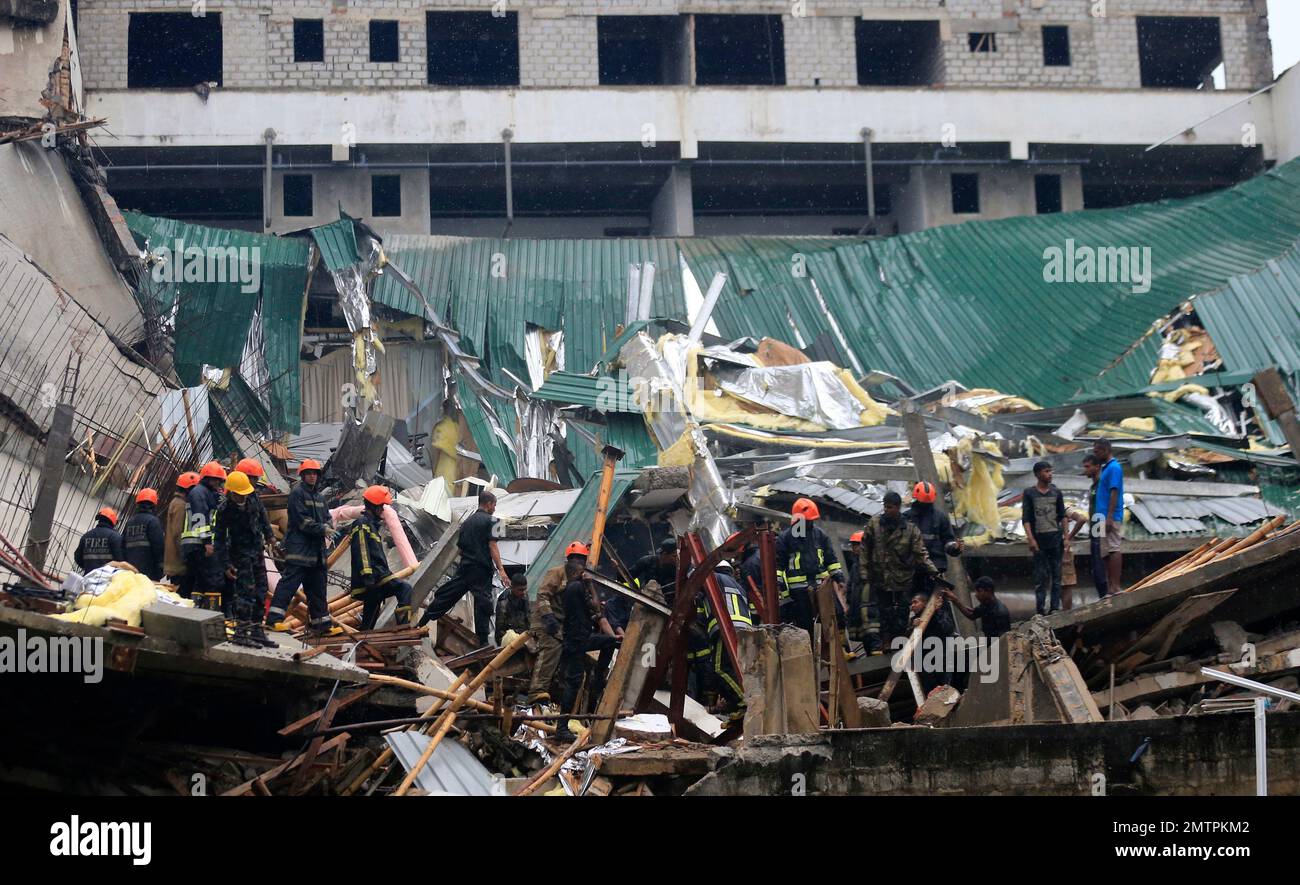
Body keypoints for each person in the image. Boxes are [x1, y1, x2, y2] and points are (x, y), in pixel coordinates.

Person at [417, 490, 509, 646]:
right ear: (488, 504)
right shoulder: (495, 521)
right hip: (481, 569)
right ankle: (483, 642)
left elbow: (459, 549)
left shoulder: (466, 522)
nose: (495, 508)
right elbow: (493, 545)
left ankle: (422, 622)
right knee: (483, 603)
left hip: (465, 567)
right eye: (494, 504)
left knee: (447, 595)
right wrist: (501, 570)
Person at [266, 459, 340, 636]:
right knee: (288, 586)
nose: (312, 476)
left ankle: (321, 625)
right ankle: (273, 621)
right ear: (302, 475)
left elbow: (327, 517)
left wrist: (328, 525)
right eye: (308, 473)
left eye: (315, 473)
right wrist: (323, 529)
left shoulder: (320, 498)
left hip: (316, 554)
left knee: (317, 590)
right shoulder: (297, 494)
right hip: (300, 552)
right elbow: (302, 522)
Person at [859, 491, 938, 651]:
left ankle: (900, 640)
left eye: (890, 507)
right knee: (884, 610)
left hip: (903, 577)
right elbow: (865, 549)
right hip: (881, 577)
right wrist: (864, 573)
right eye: (885, 507)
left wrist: (933, 571)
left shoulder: (910, 529)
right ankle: (886, 640)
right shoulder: (874, 525)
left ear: (898, 508)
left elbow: (920, 553)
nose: (887, 510)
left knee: (903, 610)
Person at [556, 565, 620, 737]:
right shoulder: (576, 587)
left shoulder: (572, 588)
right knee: (573, 683)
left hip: (580, 639)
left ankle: (598, 679)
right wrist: (590, 585)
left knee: (609, 642)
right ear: (578, 573)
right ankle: (561, 728)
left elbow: (597, 612)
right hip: (576, 642)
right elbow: (596, 607)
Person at [212, 471, 275, 646]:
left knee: (261, 590)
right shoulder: (225, 510)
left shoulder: (253, 497)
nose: (242, 498)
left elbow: (262, 516)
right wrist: (226, 565)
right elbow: (219, 539)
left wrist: (269, 535)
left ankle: (256, 631)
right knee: (245, 594)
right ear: (232, 493)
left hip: (256, 551)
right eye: (239, 495)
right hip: (239, 555)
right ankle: (241, 633)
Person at [344, 485, 414, 630]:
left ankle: (362, 641)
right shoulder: (362, 523)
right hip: (374, 576)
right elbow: (362, 550)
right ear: (374, 506)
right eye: (381, 506)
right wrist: (367, 576)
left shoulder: (372, 525)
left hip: (375, 577)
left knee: (370, 620)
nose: (383, 510)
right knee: (404, 588)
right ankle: (403, 629)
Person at [527, 542, 588, 707]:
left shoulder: (581, 580)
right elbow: (542, 595)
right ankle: (537, 691)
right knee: (551, 647)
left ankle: (558, 693)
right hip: (544, 620)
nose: (579, 562)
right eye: (576, 558)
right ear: (569, 559)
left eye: (582, 559)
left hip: (563, 624)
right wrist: (548, 617)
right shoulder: (556, 573)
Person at [775, 498, 844, 634]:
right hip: (798, 591)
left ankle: (837, 651)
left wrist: (839, 578)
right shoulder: (786, 538)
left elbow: (831, 559)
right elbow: (779, 564)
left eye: (811, 520)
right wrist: (779, 586)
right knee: (805, 624)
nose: (809, 523)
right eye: (807, 520)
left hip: (821, 586)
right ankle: (812, 653)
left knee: (833, 617)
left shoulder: (820, 535)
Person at [704, 560, 753, 720]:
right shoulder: (739, 586)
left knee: (720, 668)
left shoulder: (714, 578)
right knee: (738, 669)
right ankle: (739, 702)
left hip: (725, 628)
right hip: (744, 630)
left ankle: (746, 703)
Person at [1022, 460, 1067, 615]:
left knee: (1056, 576)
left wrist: (1066, 538)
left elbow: (1063, 516)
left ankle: (1054, 607)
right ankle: (1040, 609)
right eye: (1046, 471)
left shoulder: (1056, 492)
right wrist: (1031, 539)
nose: (1050, 474)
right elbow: (1026, 518)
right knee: (1040, 578)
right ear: (1038, 474)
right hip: (1039, 542)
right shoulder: (1029, 493)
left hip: (1055, 540)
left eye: (1051, 471)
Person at [181, 461, 227, 609]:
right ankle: (211, 613)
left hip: (196, 544)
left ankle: (197, 611)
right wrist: (207, 542)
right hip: (199, 544)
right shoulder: (199, 493)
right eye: (217, 480)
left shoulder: (205, 493)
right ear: (208, 478)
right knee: (213, 580)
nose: (219, 484)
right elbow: (200, 517)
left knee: (199, 581)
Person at [1067, 454, 1107, 600]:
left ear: (1097, 467)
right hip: (1095, 526)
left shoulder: (1102, 484)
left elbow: (1108, 506)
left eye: (1087, 467)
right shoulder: (1093, 486)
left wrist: (1102, 529)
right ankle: (1102, 594)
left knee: (1099, 562)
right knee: (1096, 562)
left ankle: (1105, 594)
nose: (1085, 470)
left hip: (1100, 525)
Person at [906, 482, 961, 575]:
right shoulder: (906, 518)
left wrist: (954, 547)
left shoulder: (940, 518)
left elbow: (948, 540)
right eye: (923, 504)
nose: (925, 507)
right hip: (912, 568)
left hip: (935, 568)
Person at [1093, 439, 1126, 593]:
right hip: (1099, 516)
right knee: (1104, 552)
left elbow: (1114, 492)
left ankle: (1115, 586)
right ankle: (1110, 587)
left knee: (1113, 549)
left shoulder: (1114, 468)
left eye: (1097, 451)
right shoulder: (1105, 469)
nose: (1095, 454)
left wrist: (1110, 516)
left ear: (1106, 450)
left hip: (1109, 516)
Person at [908, 591, 957, 693]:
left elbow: (948, 629)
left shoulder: (940, 614)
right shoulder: (914, 621)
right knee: (931, 691)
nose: (912, 606)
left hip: (942, 658)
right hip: (925, 662)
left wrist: (936, 613)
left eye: (915, 602)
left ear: (925, 603)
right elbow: (908, 642)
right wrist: (913, 628)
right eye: (911, 603)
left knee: (945, 689)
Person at [944, 576, 1011, 639]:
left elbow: (1004, 639)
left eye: (979, 591)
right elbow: (972, 615)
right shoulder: (986, 604)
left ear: (988, 590)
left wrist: (955, 600)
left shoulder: (1000, 612)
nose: (976, 595)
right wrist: (955, 600)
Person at [121, 489, 165, 580]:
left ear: (138, 504)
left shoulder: (130, 522)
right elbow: (159, 547)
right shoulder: (153, 522)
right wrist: (160, 569)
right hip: (147, 574)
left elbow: (122, 546)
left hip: (128, 571)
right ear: (154, 505)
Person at [165, 472, 198, 592]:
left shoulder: (176, 502)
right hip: (179, 564)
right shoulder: (181, 505)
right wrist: (186, 556)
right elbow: (178, 533)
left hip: (175, 562)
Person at [630, 537, 678, 606]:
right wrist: (617, 567)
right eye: (674, 556)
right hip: (647, 602)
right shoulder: (647, 561)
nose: (676, 559)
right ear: (664, 554)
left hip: (668, 607)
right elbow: (627, 576)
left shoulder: (676, 568)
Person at [74, 507, 123, 574]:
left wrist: (88, 567)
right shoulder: (116, 537)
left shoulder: (86, 536)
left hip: (88, 578)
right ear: (113, 522)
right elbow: (120, 560)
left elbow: (78, 558)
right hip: (106, 579)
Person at [495, 572, 531, 645]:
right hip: (509, 638)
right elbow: (500, 630)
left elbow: (528, 619)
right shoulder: (504, 602)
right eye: (520, 590)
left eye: (525, 589)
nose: (523, 592)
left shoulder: (524, 596)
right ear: (512, 587)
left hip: (523, 635)